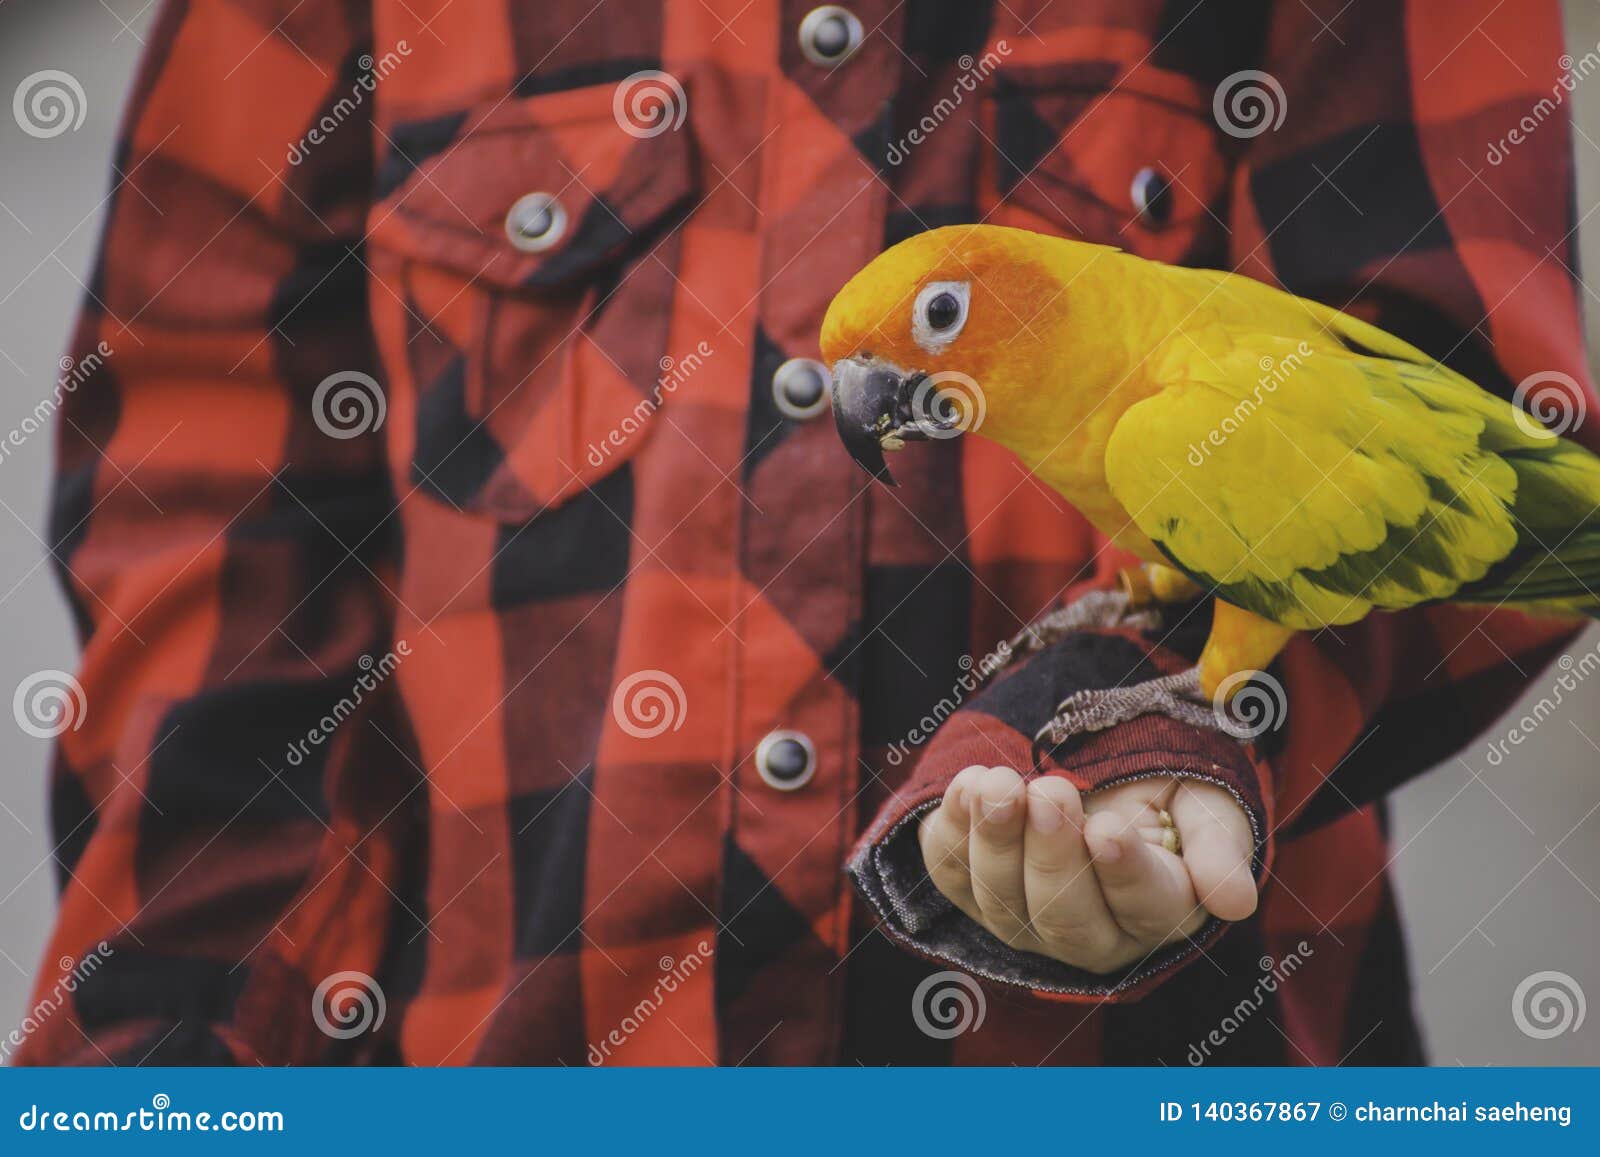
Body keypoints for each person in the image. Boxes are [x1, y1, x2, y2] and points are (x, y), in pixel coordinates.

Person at [20, 0, 1590, 1065]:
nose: (887, 394)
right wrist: (151, 1060)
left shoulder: (1177, 415)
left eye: (941, 326)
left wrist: (1141, 734)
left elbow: (1472, 374)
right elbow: (202, 491)